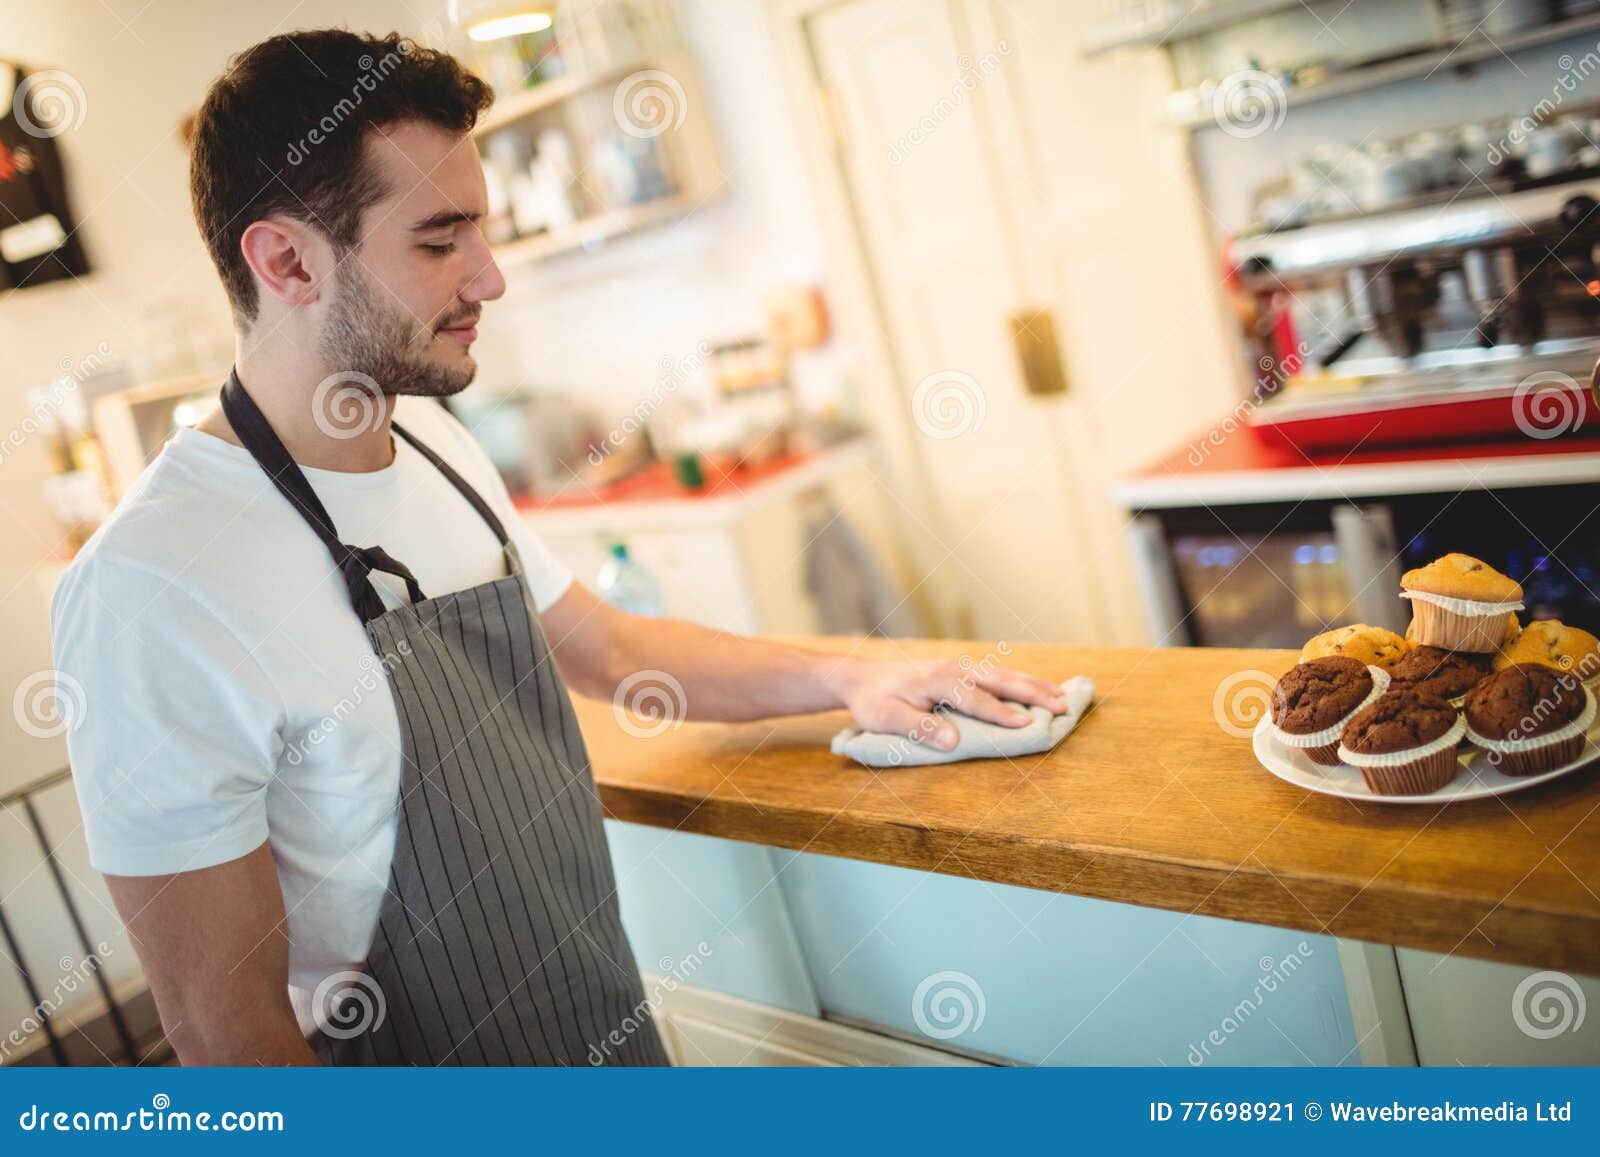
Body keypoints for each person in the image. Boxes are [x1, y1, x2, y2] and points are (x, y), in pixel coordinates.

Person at [50, 29, 1068, 1067]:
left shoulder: (437, 446)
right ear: (286, 261)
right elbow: (228, 1032)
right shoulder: (151, 584)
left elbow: (614, 653)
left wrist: (851, 674)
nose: (488, 279)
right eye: (440, 241)